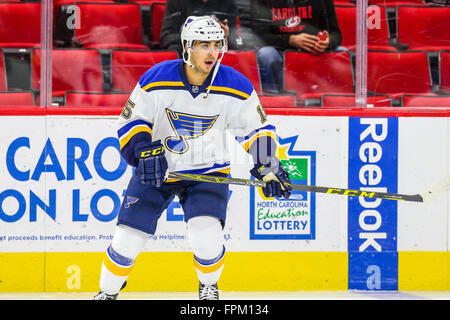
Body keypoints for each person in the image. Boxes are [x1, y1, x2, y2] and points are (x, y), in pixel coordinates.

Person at [93, 15, 292, 300]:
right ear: (187, 47)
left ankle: (208, 286)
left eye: (216, 44)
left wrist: (267, 164)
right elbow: (132, 121)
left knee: (206, 237)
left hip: (207, 172)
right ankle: (108, 292)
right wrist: (142, 152)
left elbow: (255, 130)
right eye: (203, 45)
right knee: (127, 239)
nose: (211, 52)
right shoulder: (156, 78)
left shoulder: (236, 85)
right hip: (158, 171)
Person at [250, 0, 342, 93]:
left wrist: (328, 42)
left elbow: (336, 34)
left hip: (314, 51)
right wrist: (290, 40)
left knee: (342, 52)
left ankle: (340, 100)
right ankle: (272, 98)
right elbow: (259, 36)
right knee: (266, 54)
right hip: (280, 51)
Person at [159, 0, 242, 56]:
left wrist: (226, 35)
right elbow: (166, 37)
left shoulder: (228, 3)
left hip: (217, 54)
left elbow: (235, 42)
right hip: (186, 54)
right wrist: (194, 38)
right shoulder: (176, 2)